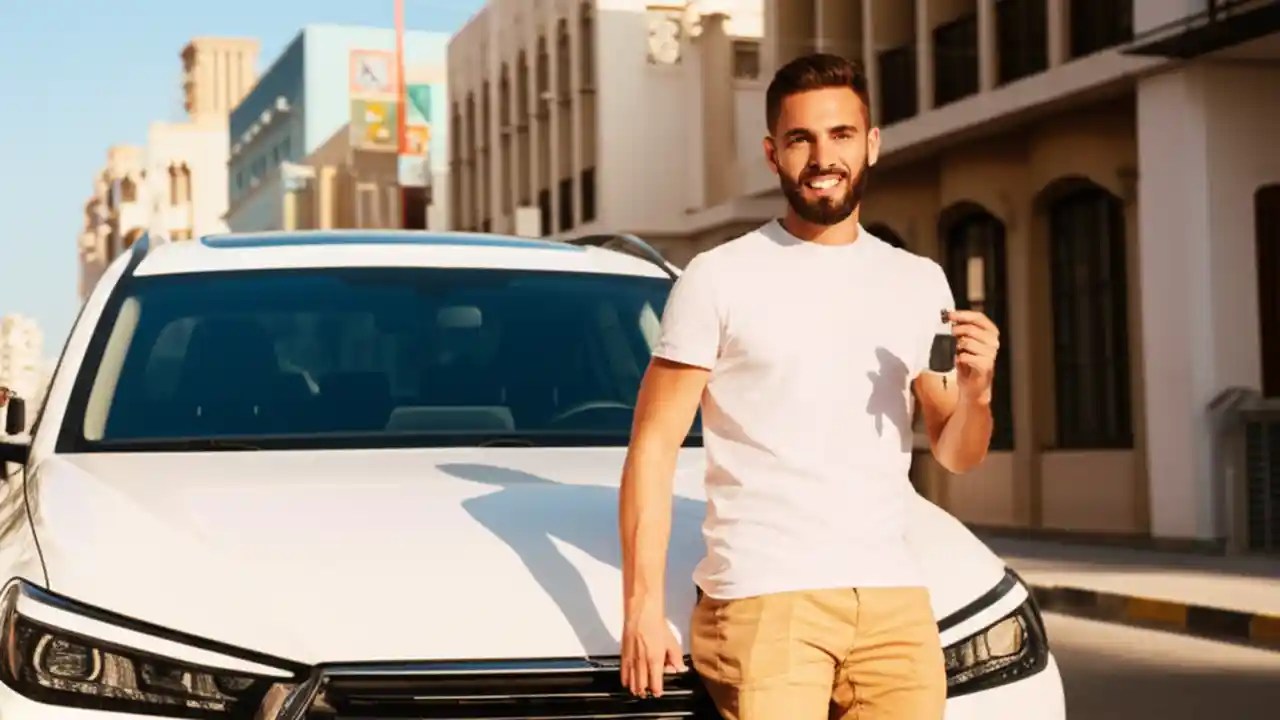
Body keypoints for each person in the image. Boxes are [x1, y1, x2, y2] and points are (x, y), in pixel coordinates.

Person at [617, 52, 1001, 720]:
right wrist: (642, 610)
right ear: (773, 154)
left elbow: (955, 452)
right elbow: (652, 447)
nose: (824, 157)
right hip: (767, 598)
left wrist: (978, 392)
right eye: (802, 139)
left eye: (842, 135)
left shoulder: (918, 282)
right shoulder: (720, 277)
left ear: (872, 144)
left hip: (893, 601)